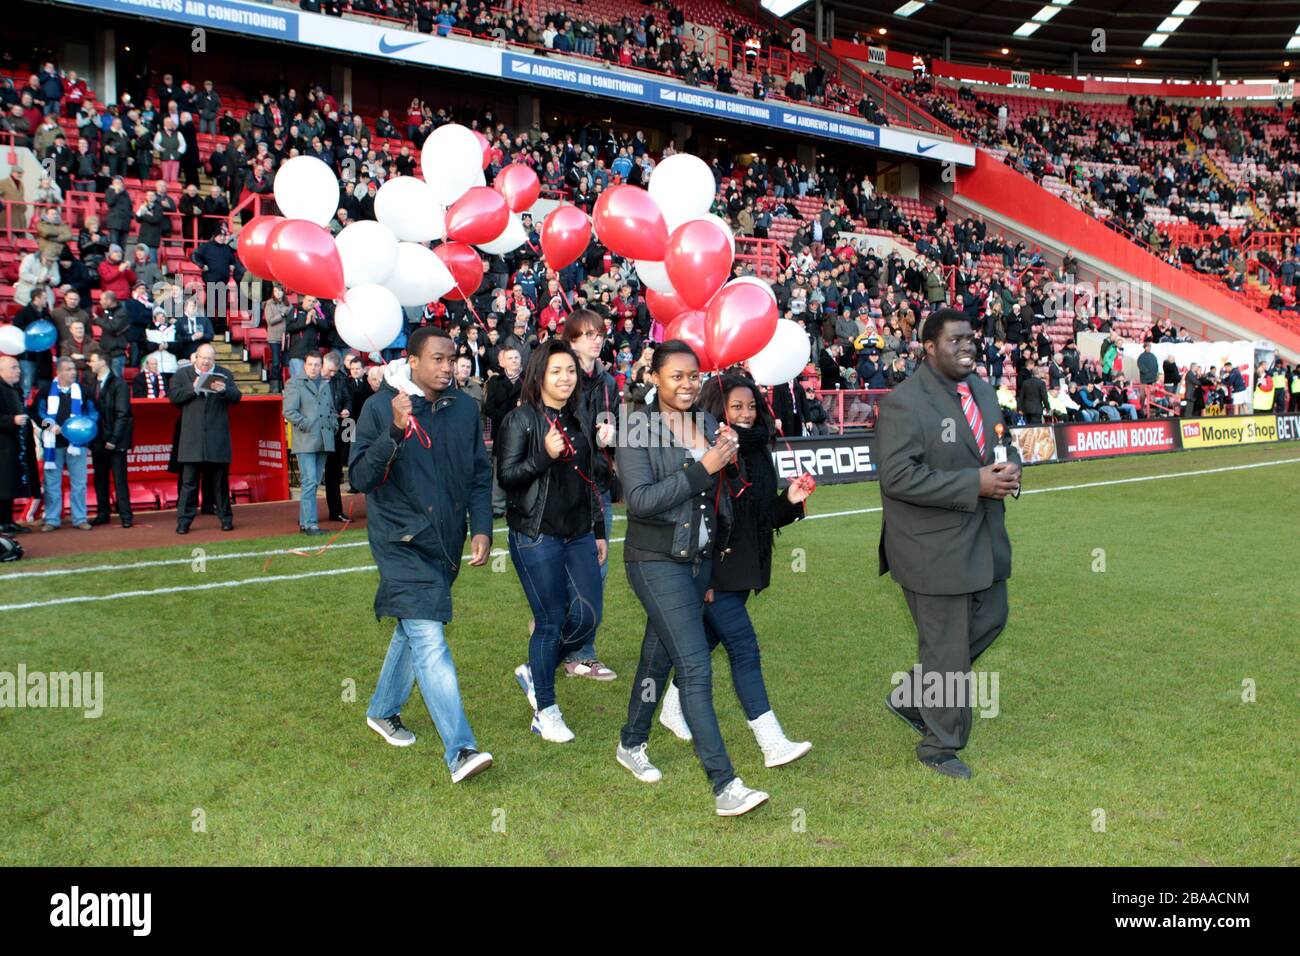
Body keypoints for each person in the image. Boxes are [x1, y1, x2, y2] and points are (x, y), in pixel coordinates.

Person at [615, 340, 770, 817]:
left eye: (694, 375)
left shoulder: (706, 423)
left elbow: (721, 495)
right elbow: (639, 499)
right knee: (696, 667)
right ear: (656, 378)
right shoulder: (634, 426)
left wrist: (729, 459)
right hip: (654, 559)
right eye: (676, 376)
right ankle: (725, 784)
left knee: (657, 656)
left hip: (698, 559)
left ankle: (630, 742)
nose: (686, 384)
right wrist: (703, 466)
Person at [875, 308, 1021, 780]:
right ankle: (939, 744)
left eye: (971, 339)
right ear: (929, 346)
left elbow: (1000, 443)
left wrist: (1010, 468)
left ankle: (911, 696)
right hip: (929, 547)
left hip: (983, 539)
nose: (967, 347)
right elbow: (898, 477)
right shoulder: (904, 402)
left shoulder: (980, 388)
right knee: (946, 652)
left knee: (991, 619)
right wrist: (972, 484)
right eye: (956, 340)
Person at [349, 327, 495, 785]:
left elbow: (477, 474)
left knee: (413, 627)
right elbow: (359, 477)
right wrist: (393, 429)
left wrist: (482, 527)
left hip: (445, 542)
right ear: (412, 360)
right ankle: (461, 749)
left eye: (450, 359)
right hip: (399, 541)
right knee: (429, 637)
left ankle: (382, 709)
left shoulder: (466, 408)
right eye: (436, 359)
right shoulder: (380, 407)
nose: (446, 367)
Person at [655, 373, 815, 768]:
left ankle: (671, 710)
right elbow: (698, 517)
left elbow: (757, 519)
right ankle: (771, 742)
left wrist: (790, 501)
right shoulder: (708, 448)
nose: (745, 413)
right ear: (717, 409)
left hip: (744, 567)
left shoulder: (759, 450)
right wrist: (703, 577)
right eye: (736, 406)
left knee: (708, 641)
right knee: (744, 649)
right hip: (714, 570)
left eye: (751, 406)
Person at [497, 340, 607, 743]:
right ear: (540, 375)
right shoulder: (520, 420)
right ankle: (546, 709)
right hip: (535, 534)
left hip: (578, 533)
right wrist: (542, 455)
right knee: (551, 619)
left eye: (571, 371)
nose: (565, 378)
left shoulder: (577, 419)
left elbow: (589, 481)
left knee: (588, 616)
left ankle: (534, 669)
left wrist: (597, 531)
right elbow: (507, 478)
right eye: (556, 370)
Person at [559, 308, 620, 680]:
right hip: (563, 482)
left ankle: (582, 651)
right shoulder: (559, 376)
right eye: (588, 334)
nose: (596, 339)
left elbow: (610, 421)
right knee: (561, 568)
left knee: (597, 569)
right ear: (572, 339)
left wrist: (610, 437)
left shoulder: (609, 382)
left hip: (596, 483)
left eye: (599, 333)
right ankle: (560, 637)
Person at [170, 343, 241, 533]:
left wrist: (224, 390)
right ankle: (184, 522)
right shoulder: (182, 375)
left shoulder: (224, 374)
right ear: (196, 357)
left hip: (217, 438)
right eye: (203, 358)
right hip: (191, 439)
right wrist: (192, 389)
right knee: (189, 483)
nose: (206, 362)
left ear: (214, 360)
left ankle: (226, 519)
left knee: (220, 483)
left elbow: (237, 396)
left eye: (210, 359)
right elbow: (174, 397)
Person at [32, 357, 96, 532]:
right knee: (52, 483)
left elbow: (93, 412)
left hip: (77, 444)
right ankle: (52, 519)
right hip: (53, 444)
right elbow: (36, 414)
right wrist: (50, 426)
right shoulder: (45, 391)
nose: (73, 372)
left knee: (79, 483)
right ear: (58, 372)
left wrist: (83, 426)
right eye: (68, 369)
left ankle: (80, 518)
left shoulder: (83, 390)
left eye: (74, 369)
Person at [283, 352, 336, 535]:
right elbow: (289, 411)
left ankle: (306, 523)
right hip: (306, 440)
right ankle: (310, 524)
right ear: (304, 366)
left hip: (324, 439)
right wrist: (306, 424)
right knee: (310, 481)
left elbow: (331, 409)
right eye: (310, 364)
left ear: (321, 366)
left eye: (316, 365)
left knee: (311, 483)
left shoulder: (325, 384)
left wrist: (334, 423)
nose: (313, 368)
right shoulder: (294, 383)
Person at [87, 351, 134, 528]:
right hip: (98, 439)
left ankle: (126, 516)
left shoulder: (119, 384)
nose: (90, 364)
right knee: (100, 478)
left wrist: (114, 438)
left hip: (116, 440)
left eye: (93, 360)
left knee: (120, 478)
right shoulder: (91, 383)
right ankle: (103, 513)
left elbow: (123, 414)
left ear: (103, 362)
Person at [0, 355, 40, 535]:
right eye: (14, 368)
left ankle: (7, 521)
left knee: (9, 486)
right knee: (3, 485)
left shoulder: (14, 389)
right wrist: (12, 420)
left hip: (14, 445)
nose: (19, 371)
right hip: (3, 446)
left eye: (17, 367)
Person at [483, 345, 523, 517]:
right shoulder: (495, 382)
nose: (514, 360)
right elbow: (489, 408)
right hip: (501, 432)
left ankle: (521, 503)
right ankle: (498, 507)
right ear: (502, 362)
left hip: (523, 432)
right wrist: (510, 415)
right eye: (510, 358)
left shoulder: (528, 380)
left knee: (523, 468)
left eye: (516, 357)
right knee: (500, 468)